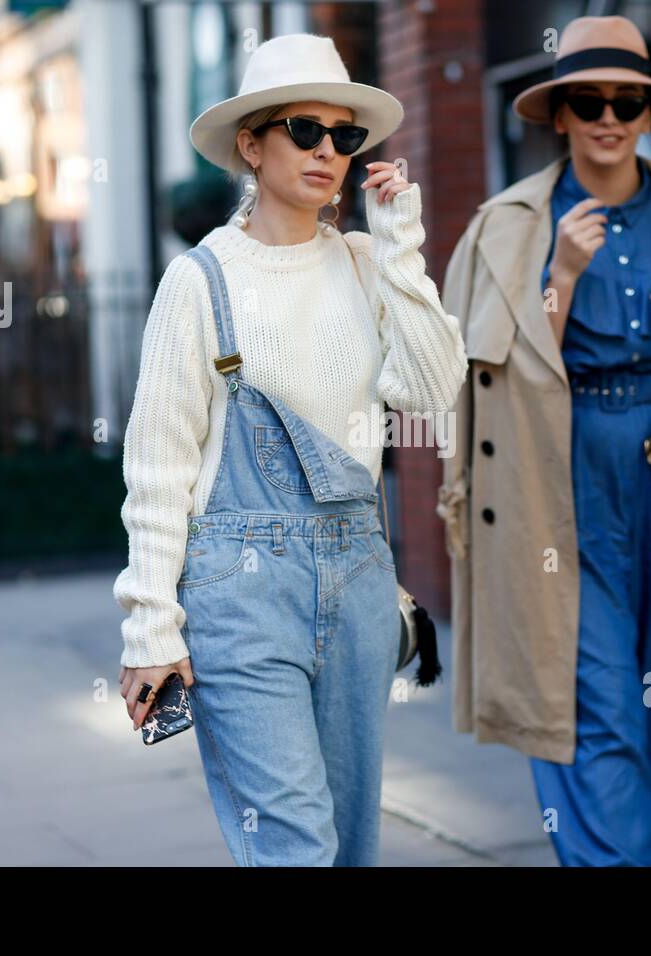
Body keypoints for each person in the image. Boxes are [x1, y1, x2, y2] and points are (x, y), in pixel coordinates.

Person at [438, 15, 651, 866]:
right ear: (559, 114)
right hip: (559, 485)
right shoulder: (507, 227)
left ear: (648, 113)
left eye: (627, 101)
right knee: (590, 711)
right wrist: (559, 276)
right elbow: (510, 378)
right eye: (588, 101)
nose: (609, 117)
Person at [113, 33, 466, 866]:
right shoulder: (200, 281)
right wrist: (150, 628)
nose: (328, 153)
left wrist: (402, 248)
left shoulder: (362, 262)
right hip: (238, 592)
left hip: (359, 579)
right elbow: (157, 469)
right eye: (304, 132)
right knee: (295, 843)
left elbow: (431, 386)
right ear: (252, 143)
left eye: (345, 137)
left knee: (349, 845)